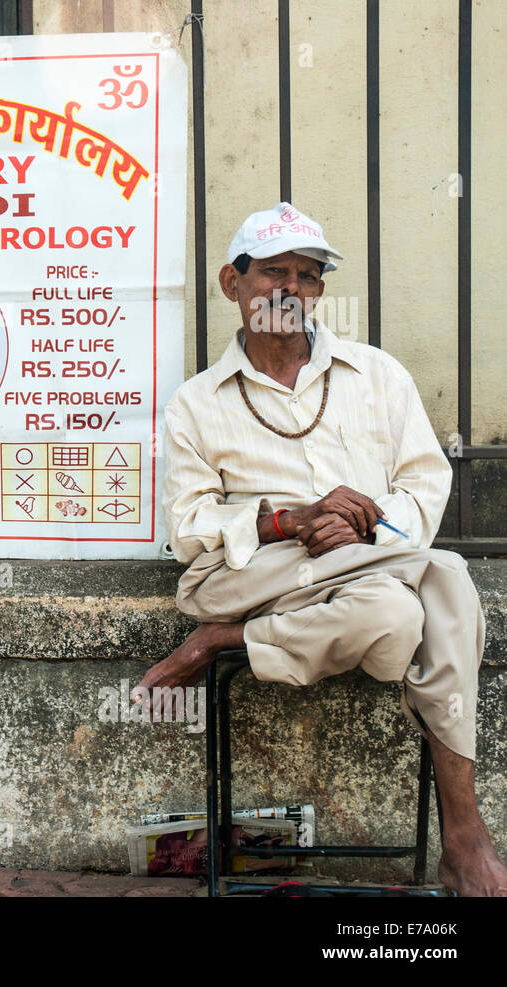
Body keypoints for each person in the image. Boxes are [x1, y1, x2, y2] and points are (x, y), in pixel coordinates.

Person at [138, 202, 507, 896]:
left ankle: (226, 641)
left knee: (398, 618)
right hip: (253, 573)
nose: (291, 288)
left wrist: (360, 527)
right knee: (449, 578)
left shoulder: (377, 374)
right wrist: (291, 521)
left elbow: (425, 485)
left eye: (308, 276)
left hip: (364, 573)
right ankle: (468, 838)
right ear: (232, 283)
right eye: (273, 271)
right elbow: (188, 529)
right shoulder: (196, 402)